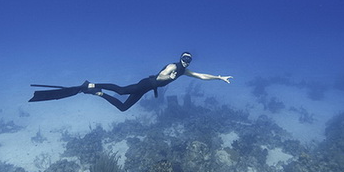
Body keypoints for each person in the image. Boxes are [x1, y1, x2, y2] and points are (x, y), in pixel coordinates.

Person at [28, 52, 233, 112]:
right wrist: (166, 77)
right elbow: (160, 75)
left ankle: (98, 93)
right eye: (184, 58)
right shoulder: (172, 67)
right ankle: (91, 84)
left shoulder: (184, 71)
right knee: (122, 90)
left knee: (124, 108)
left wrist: (218, 77)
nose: (185, 61)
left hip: (147, 89)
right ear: (179, 58)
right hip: (147, 83)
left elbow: (201, 76)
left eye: (188, 60)